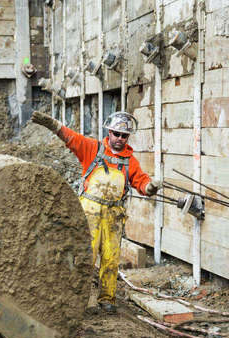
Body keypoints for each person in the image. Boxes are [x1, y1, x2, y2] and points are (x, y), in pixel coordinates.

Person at [30, 110, 161, 313]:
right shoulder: (93, 149)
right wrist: (52, 124)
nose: (119, 138)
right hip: (89, 213)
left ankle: (107, 299)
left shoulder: (129, 161)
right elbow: (71, 138)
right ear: (109, 132)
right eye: (116, 133)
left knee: (111, 258)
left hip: (113, 216)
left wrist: (149, 187)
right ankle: (78, 299)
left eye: (124, 135)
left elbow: (140, 181)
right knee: (85, 257)